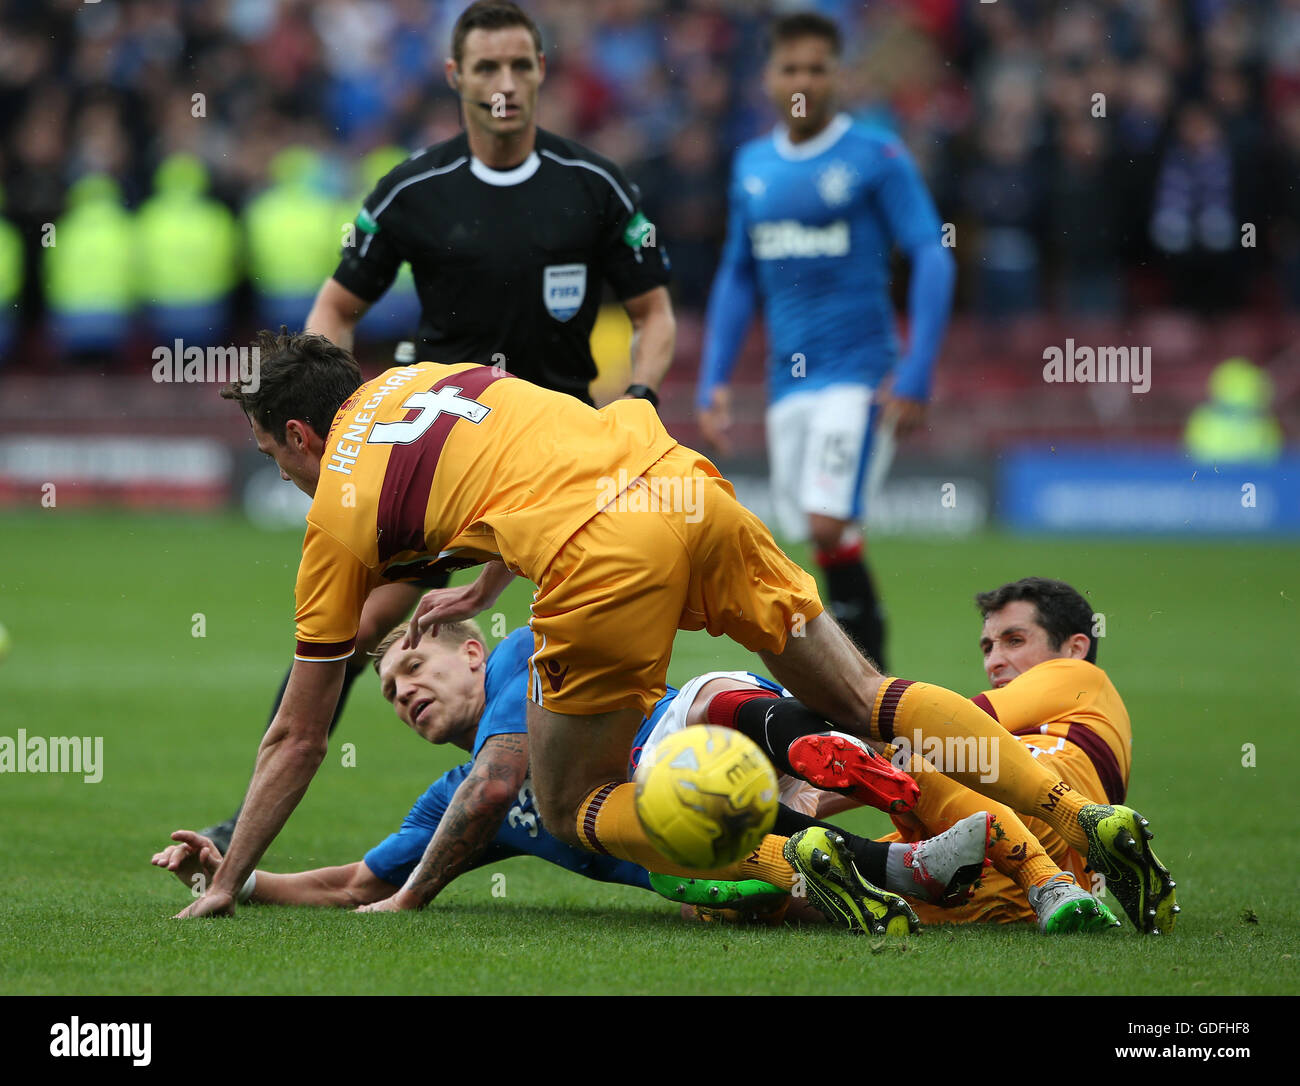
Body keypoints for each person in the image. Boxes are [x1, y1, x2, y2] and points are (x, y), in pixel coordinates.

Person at [179, 331, 1176, 940]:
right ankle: (1078, 820)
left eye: (275, 460)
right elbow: (522, 463)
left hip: (597, 554)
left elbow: (299, 735)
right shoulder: (435, 379)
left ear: (302, 437)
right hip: (681, 485)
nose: (284, 478)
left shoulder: (334, 516)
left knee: (573, 806)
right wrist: (484, 570)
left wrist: (229, 880)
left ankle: (777, 853)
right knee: (864, 696)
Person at [201, 1, 676, 851]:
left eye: (519, 67)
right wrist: (345, 427)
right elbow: (335, 310)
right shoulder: (412, 191)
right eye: (486, 69)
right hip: (436, 472)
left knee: (660, 604)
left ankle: (690, 780)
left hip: (559, 474)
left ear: (541, 71)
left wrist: (639, 395)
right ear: (456, 77)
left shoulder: (594, 186)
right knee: (342, 638)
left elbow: (656, 314)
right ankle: (247, 824)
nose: (504, 85)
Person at [156, 620, 989, 922]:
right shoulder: (451, 804)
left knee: (703, 705)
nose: (401, 692)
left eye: (412, 670)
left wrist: (412, 901)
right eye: (386, 694)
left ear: (474, 653)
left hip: (695, 740)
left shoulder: (526, 656)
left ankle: (838, 762)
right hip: (701, 867)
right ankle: (902, 863)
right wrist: (236, 875)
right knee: (762, 877)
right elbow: (348, 884)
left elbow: (493, 787)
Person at [665, 578, 1153, 934]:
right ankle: (763, 879)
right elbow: (894, 771)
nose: (995, 659)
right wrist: (796, 809)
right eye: (987, 646)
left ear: (1075, 647)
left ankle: (1049, 883)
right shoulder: (1010, 733)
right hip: (993, 888)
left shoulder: (1082, 678)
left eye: (1014, 640)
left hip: (1042, 825)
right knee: (775, 890)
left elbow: (931, 736)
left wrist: (804, 776)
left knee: (889, 728)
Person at [696, 12, 956, 671]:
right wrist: (713, 379)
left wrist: (919, 366)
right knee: (821, 540)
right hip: (790, 383)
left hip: (861, 374)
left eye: (817, 67)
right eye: (791, 68)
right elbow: (737, 272)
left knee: (824, 523)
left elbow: (930, 254)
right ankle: (865, 689)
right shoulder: (752, 165)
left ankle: (869, 687)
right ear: (769, 78)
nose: (803, 80)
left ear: (837, 75)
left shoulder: (877, 156)